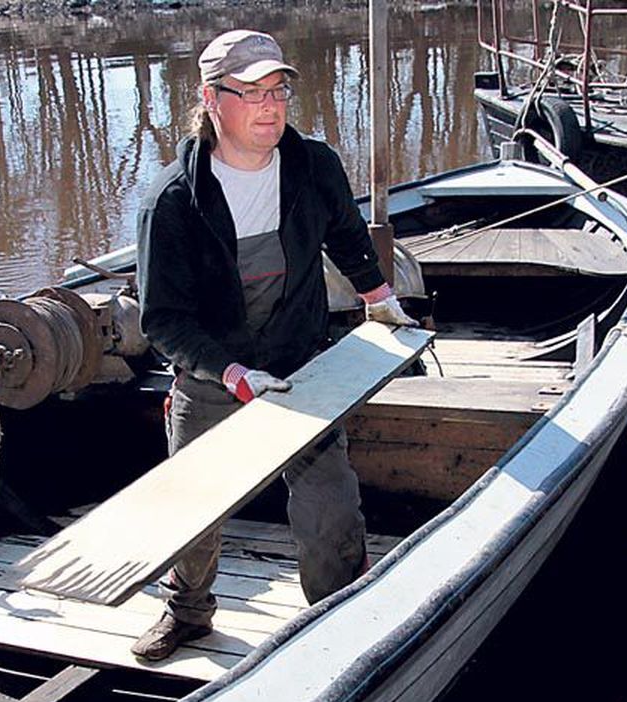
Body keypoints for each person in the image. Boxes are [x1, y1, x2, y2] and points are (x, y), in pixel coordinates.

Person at [130, 28, 416, 661]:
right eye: (250, 92)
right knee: (194, 511)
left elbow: (344, 233)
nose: (270, 106)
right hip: (211, 378)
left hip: (299, 369)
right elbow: (163, 322)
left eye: (279, 90)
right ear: (211, 99)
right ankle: (189, 614)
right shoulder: (172, 202)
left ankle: (338, 618)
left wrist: (377, 295)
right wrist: (231, 373)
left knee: (330, 505)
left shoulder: (313, 166)